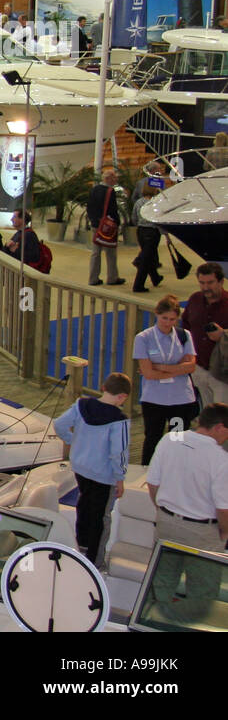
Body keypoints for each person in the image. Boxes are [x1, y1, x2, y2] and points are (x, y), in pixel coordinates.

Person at [146, 402, 228, 617]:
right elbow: (223, 507)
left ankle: (153, 624)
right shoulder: (221, 459)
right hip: (202, 532)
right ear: (219, 427)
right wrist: (225, 532)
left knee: (160, 585)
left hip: (166, 524)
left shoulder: (170, 439)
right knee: (203, 594)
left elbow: (153, 483)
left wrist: (164, 511)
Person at [54, 372, 131, 566]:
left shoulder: (81, 405)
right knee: (100, 517)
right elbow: (118, 453)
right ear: (123, 397)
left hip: (81, 468)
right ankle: (95, 562)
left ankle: (81, 546)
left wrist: (74, 441)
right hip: (103, 475)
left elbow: (59, 424)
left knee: (84, 504)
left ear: (103, 388)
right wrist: (120, 478)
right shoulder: (119, 419)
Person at [135, 294, 200, 465]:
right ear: (156, 314)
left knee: (178, 440)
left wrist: (160, 367)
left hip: (181, 400)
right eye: (164, 318)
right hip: (154, 399)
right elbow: (148, 374)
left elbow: (191, 367)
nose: (167, 322)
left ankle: (177, 472)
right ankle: (147, 472)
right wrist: (178, 369)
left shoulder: (184, 335)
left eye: (172, 319)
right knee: (153, 438)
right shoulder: (144, 338)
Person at [182, 262, 228, 408]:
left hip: (222, 373)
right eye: (202, 283)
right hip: (199, 368)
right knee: (206, 414)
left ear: (221, 281)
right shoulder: (195, 299)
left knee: (222, 417)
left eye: (210, 282)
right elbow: (186, 327)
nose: (206, 287)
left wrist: (223, 334)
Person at [87, 167, 123, 286]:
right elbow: (113, 210)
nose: (115, 180)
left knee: (95, 252)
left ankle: (93, 278)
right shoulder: (109, 191)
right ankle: (112, 277)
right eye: (114, 177)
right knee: (111, 251)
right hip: (107, 226)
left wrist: (94, 220)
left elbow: (89, 207)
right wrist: (117, 223)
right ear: (108, 179)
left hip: (96, 225)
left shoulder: (94, 189)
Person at [132, 183, 164, 293]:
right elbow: (159, 218)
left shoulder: (138, 202)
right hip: (152, 232)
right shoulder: (156, 203)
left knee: (148, 255)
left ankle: (155, 278)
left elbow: (134, 218)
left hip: (141, 231)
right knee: (145, 259)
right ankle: (138, 285)